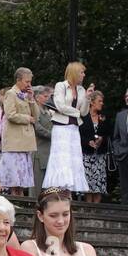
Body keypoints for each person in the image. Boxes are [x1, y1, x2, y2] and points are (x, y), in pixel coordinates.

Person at [42, 62, 91, 194]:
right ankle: (58, 189)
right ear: (74, 72)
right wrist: (77, 112)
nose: (84, 75)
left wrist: (87, 99)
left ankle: (68, 192)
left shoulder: (81, 89)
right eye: (81, 72)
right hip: (61, 128)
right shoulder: (61, 86)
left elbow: (85, 112)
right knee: (61, 158)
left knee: (73, 158)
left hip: (74, 128)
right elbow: (60, 106)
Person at [0, 69, 38, 196]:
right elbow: (10, 115)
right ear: (18, 80)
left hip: (25, 143)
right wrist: (27, 118)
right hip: (15, 143)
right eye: (26, 81)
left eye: (30, 82)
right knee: (15, 180)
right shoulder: (11, 93)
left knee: (22, 181)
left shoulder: (26, 95)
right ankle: (15, 203)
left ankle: (22, 203)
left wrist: (32, 99)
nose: (29, 84)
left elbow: (36, 117)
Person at [79, 89, 112, 203]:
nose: (102, 103)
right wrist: (88, 142)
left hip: (100, 156)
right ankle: (89, 209)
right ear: (92, 102)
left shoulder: (104, 116)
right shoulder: (83, 116)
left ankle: (97, 209)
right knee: (88, 183)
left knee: (99, 183)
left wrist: (102, 138)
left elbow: (109, 132)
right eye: (100, 101)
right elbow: (78, 134)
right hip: (86, 155)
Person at [31, 84, 54, 195]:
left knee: (47, 188)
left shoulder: (48, 111)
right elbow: (37, 127)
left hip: (48, 152)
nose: (48, 98)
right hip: (38, 153)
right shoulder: (35, 110)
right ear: (37, 97)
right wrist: (53, 135)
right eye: (45, 96)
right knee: (37, 186)